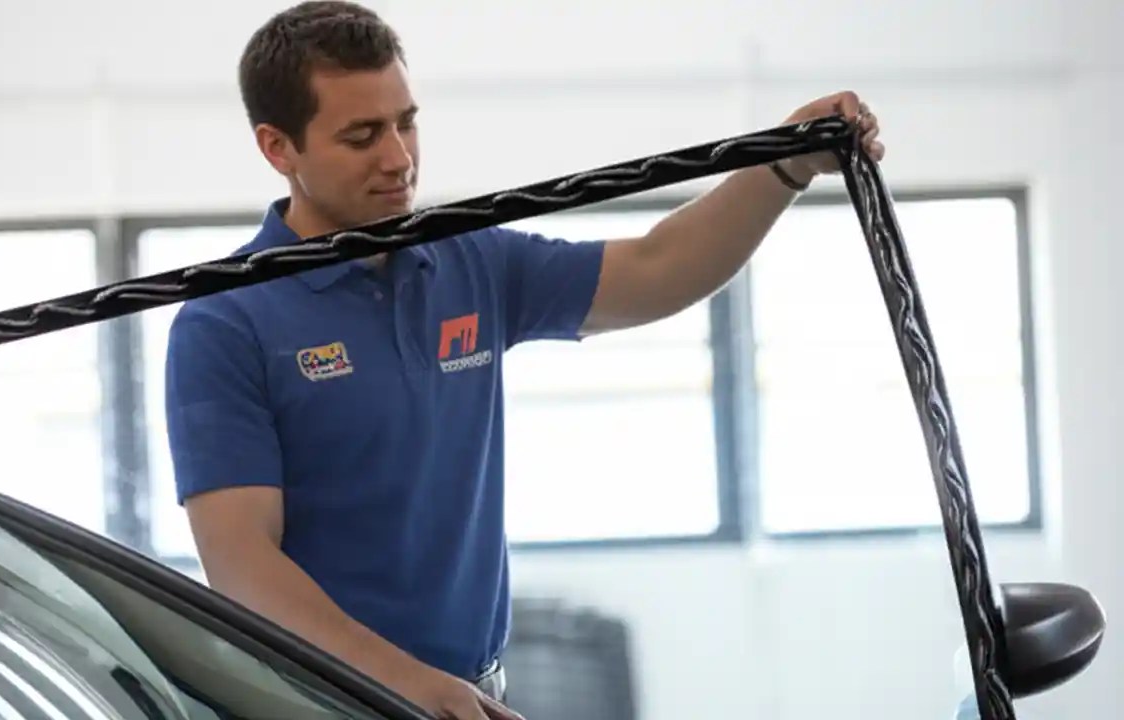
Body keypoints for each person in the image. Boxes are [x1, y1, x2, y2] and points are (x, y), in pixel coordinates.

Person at [164, 2, 884, 719]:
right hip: (315, 705)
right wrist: (406, 682)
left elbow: (659, 268)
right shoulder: (225, 321)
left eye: (406, 122)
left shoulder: (469, 260)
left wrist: (783, 164)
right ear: (277, 147)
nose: (399, 158)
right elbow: (241, 567)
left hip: (467, 697)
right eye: (361, 136)